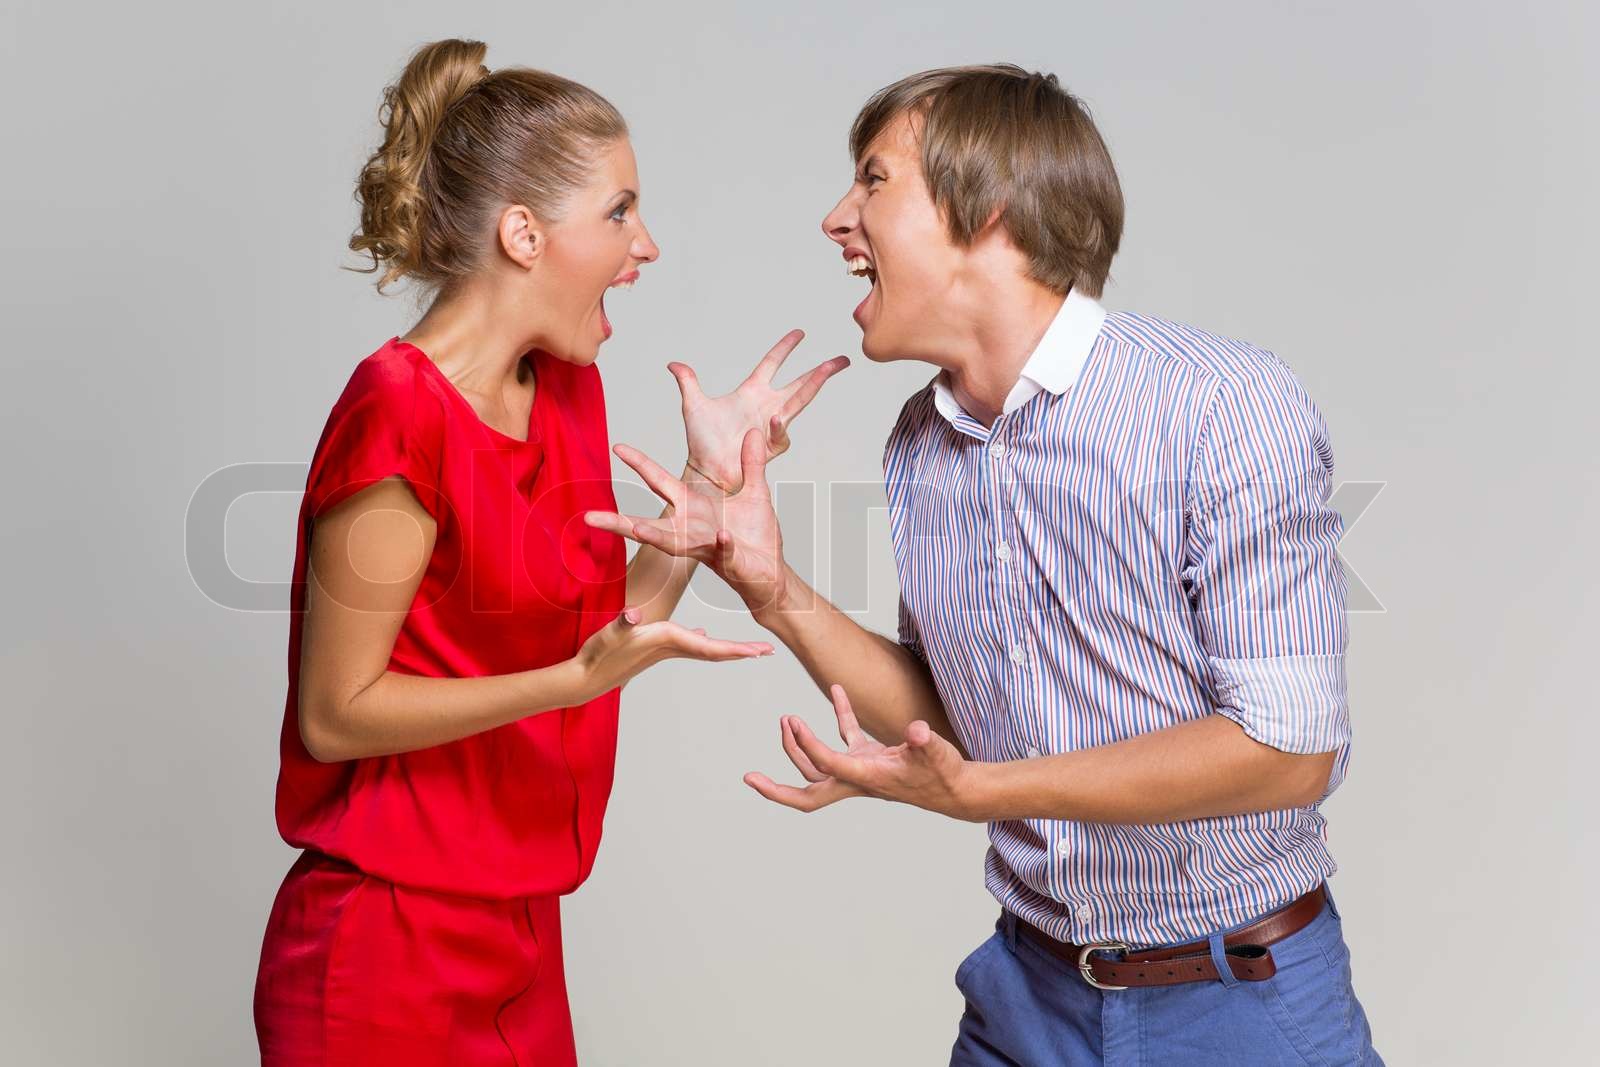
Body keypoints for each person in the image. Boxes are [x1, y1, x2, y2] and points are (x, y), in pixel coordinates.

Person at [587, 64, 1383, 1064]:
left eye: (873, 181)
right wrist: (769, 586)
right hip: (1025, 1000)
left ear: (989, 209)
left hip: (1238, 1004)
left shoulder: (1221, 407)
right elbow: (961, 721)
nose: (838, 218)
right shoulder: (920, 442)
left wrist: (987, 792)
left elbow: (1289, 749)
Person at [252, 38, 846, 1066]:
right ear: (522, 233)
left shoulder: (566, 385)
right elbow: (336, 713)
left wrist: (709, 490)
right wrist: (572, 680)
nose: (646, 242)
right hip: (383, 943)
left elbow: (602, 631)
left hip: (523, 929)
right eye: (619, 210)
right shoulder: (398, 408)